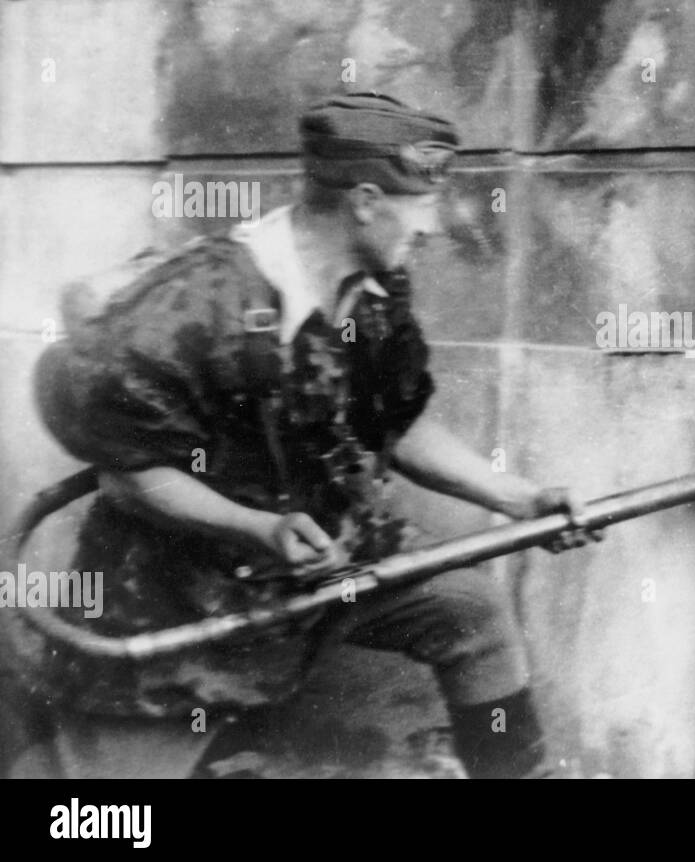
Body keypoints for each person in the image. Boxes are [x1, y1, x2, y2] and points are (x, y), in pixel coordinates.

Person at [30, 91, 593, 778]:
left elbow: (397, 423)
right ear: (365, 202)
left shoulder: (376, 294)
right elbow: (131, 475)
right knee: (98, 806)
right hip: (185, 601)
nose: (434, 227)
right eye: (422, 206)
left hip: (332, 564)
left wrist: (518, 497)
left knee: (469, 611)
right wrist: (257, 528)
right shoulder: (199, 301)